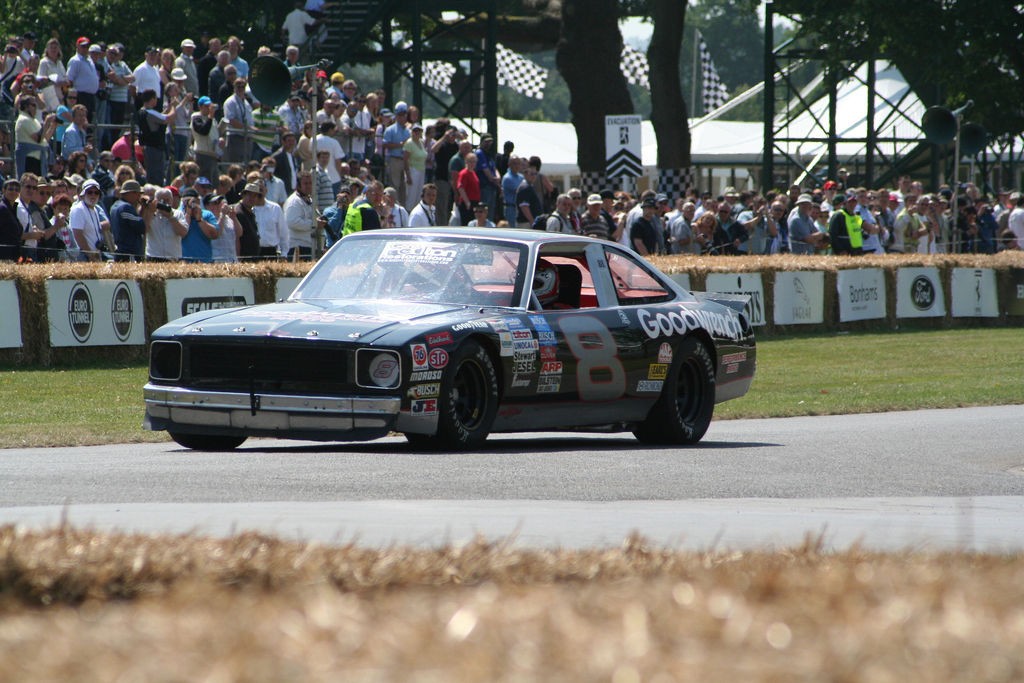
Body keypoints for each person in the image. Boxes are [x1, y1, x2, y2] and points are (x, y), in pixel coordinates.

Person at [136, 89, 175, 185]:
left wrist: (169, 107)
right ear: (152, 99)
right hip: (155, 148)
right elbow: (168, 118)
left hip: (148, 148)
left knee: (151, 175)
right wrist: (174, 107)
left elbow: (160, 116)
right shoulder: (149, 112)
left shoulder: (142, 111)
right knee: (157, 176)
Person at [70, 178, 111, 261]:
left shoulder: (95, 209)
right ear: (83, 194)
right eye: (90, 192)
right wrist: (89, 254)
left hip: (94, 255)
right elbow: (77, 234)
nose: (93, 195)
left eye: (96, 193)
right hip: (83, 256)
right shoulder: (79, 209)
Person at [109, 179, 148, 261]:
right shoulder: (126, 207)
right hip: (129, 255)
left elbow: (134, 223)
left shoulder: (115, 206)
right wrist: (150, 211)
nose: (139, 197)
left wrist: (143, 209)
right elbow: (142, 227)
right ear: (131, 193)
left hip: (121, 253)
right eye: (138, 194)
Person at [144, 186, 187, 261]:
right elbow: (144, 230)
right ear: (156, 200)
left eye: (167, 200)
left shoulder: (178, 214)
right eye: (161, 200)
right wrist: (150, 212)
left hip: (173, 257)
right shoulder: (150, 213)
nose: (164, 203)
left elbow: (183, 233)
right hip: (153, 257)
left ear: (172, 200)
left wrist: (171, 217)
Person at [283, 171, 317, 259]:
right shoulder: (294, 201)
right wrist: (314, 224)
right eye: (305, 183)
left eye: (310, 183)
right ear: (298, 185)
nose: (309, 186)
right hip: (298, 248)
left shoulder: (309, 199)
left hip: (309, 246)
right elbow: (292, 222)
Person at [382, 101, 410, 204]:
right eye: (400, 115)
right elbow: (385, 144)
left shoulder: (408, 130)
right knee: (395, 185)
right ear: (396, 115)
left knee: (404, 187)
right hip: (394, 159)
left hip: (406, 160)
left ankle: (402, 207)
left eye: (404, 114)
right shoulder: (390, 129)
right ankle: (393, 206)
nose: (402, 117)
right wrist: (400, 144)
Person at [223, 77, 254, 163]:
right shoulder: (230, 102)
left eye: (242, 86)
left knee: (246, 165)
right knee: (236, 164)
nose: (240, 88)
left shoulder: (246, 102)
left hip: (246, 138)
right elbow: (231, 120)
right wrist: (248, 128)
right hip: (235, 138)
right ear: (234, 87)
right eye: (238, 86)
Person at [828, 191, 864, 256]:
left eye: (854, 202)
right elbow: (832, 235)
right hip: (844, 253)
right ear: (845, 203)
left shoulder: (856, 216)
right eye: (850, 202)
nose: (852, 204)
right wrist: (840, 250)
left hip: (857, 251)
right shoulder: (838, 215)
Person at [402, 122, 427, 211]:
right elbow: (405, 160)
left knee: (419, 195)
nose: (417, 133)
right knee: (411, 196)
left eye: (419, 131)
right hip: (413, 170)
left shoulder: (421, 142)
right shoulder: (409, 143)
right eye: (415, 131)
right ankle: (408, 214)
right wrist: (408, 175)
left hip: (421, 170)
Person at [454, 152, 480, 226]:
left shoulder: (473, 173)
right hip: (467, 203)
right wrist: (467, 202)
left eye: (474, 161)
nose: (472, 163)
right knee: (466, 223)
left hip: (475, 202)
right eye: (470, 161)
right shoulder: (464, 173)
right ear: (466, 161)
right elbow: (460, 187)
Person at [0, 178, 23, 261]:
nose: (13, 192)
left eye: (17, 190)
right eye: (10, 189)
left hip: (12, 256)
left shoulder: (12, 208)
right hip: (4, 256)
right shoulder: (2, 208)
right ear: (3, 190)